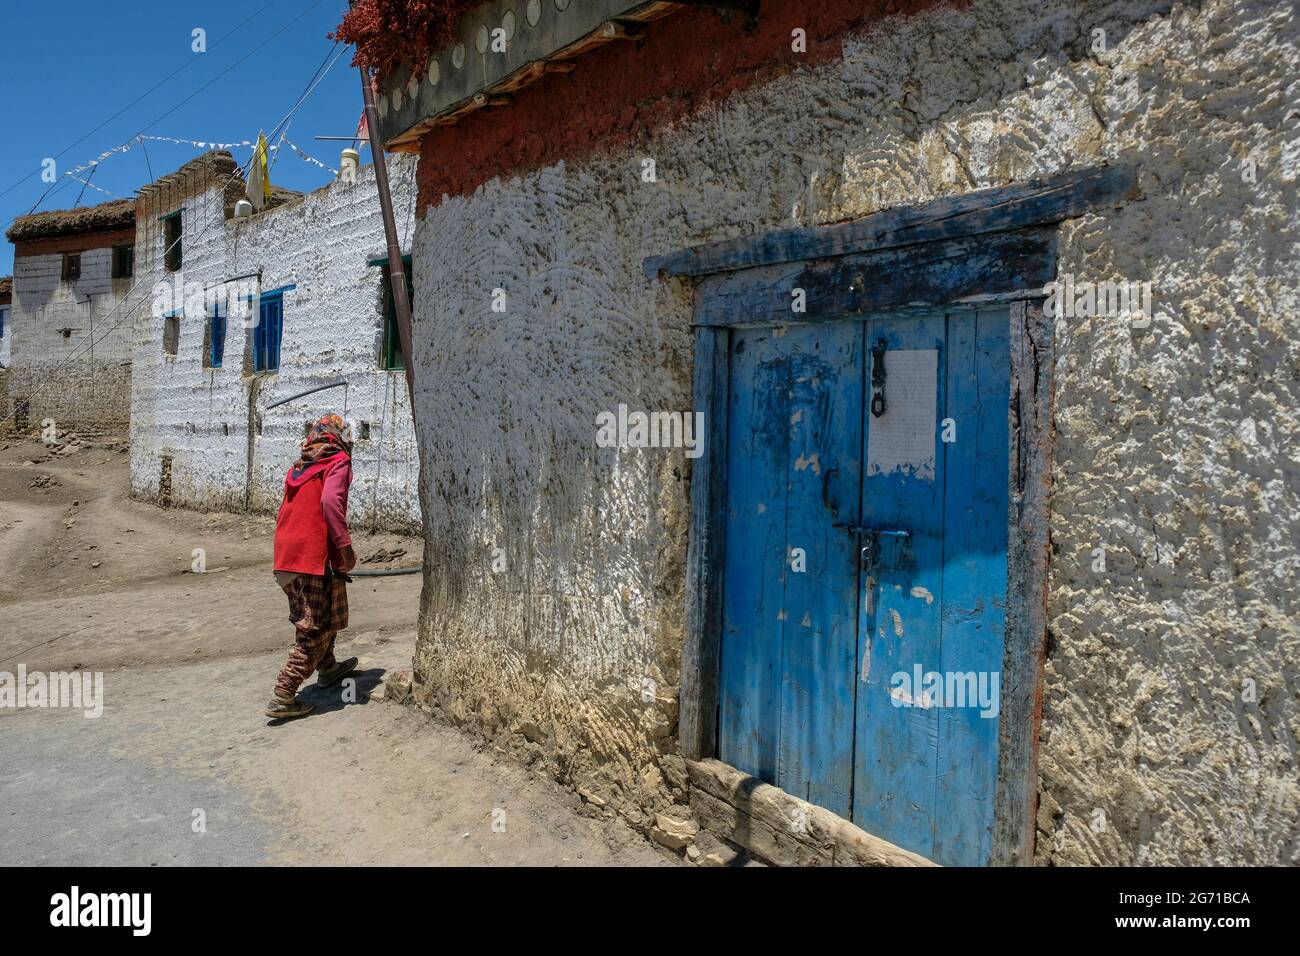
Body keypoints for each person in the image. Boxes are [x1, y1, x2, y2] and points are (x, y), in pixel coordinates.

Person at [266, 413, 359, 719]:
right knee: (315, 628)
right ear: (342, 439)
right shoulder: (337, 462)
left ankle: (328, 667)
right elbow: (330, 503)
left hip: (287, 558)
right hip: (311, 559)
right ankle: (284, 693)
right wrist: (344, 547)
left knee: (325, 612)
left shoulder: (301, 466)